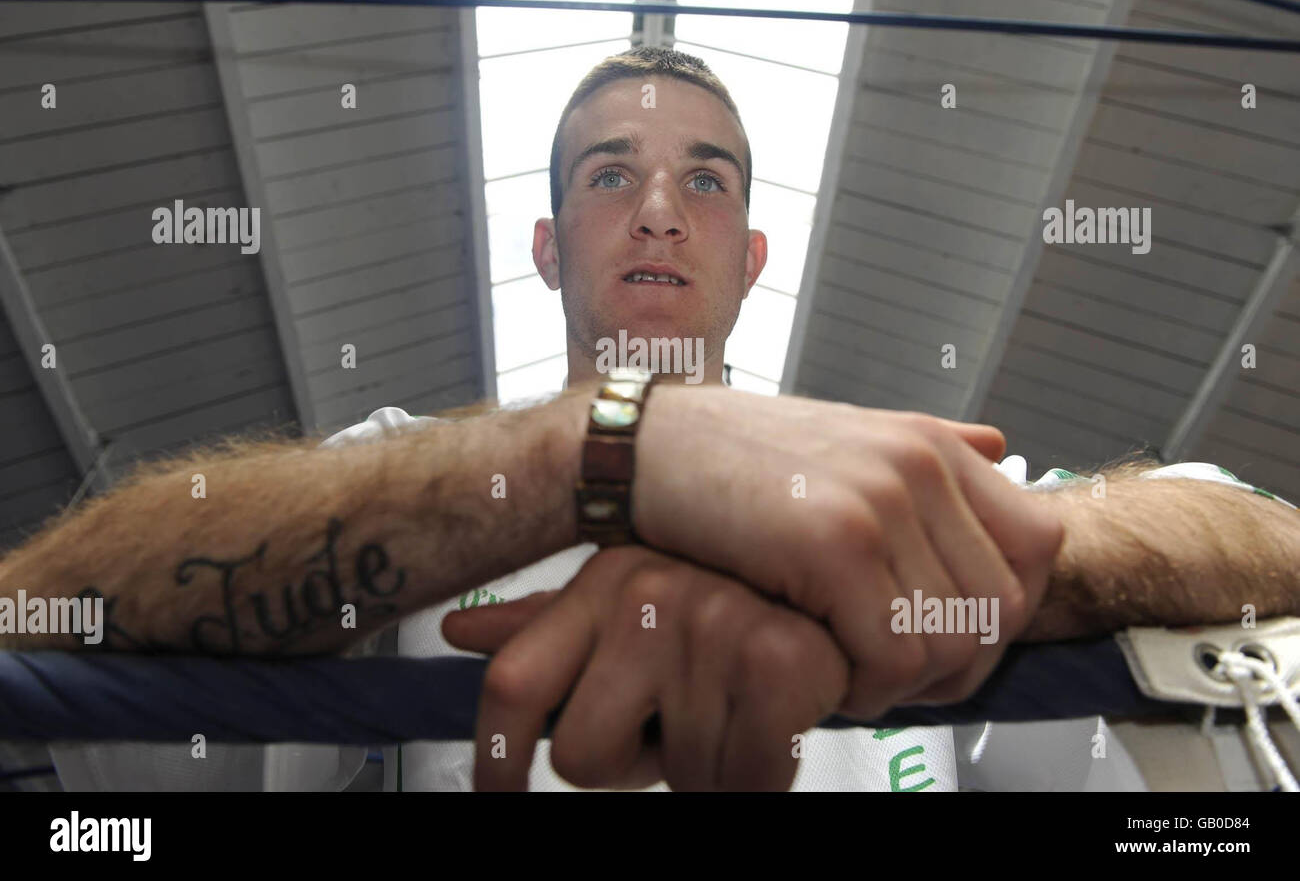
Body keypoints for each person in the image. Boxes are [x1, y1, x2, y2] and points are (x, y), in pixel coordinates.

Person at [2, 47, 1296, 792]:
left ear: (753, 253)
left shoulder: (898, 482)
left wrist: (957, 551)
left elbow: (1255, 536)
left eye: (706, 181)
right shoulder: (400, 475)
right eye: (612, 175)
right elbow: (43, 603)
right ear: (550, 249)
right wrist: (597, 453)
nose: (661, 209)